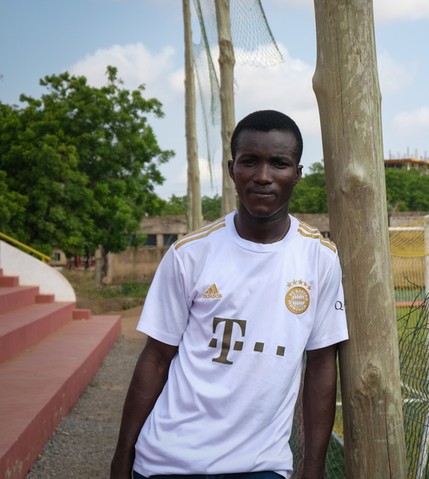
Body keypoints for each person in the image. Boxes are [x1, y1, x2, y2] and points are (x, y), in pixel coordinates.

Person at [111, 110, 348, 479]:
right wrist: (121, 459)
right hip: (168, 462)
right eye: (250, 162)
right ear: (231, 169)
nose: (263, 176)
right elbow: (156, 358)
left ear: (297, 174)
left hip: (260, 466)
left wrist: (312, 467)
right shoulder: (189, 254)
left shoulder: (319, 258)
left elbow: (320, 366)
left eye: (279, 164)